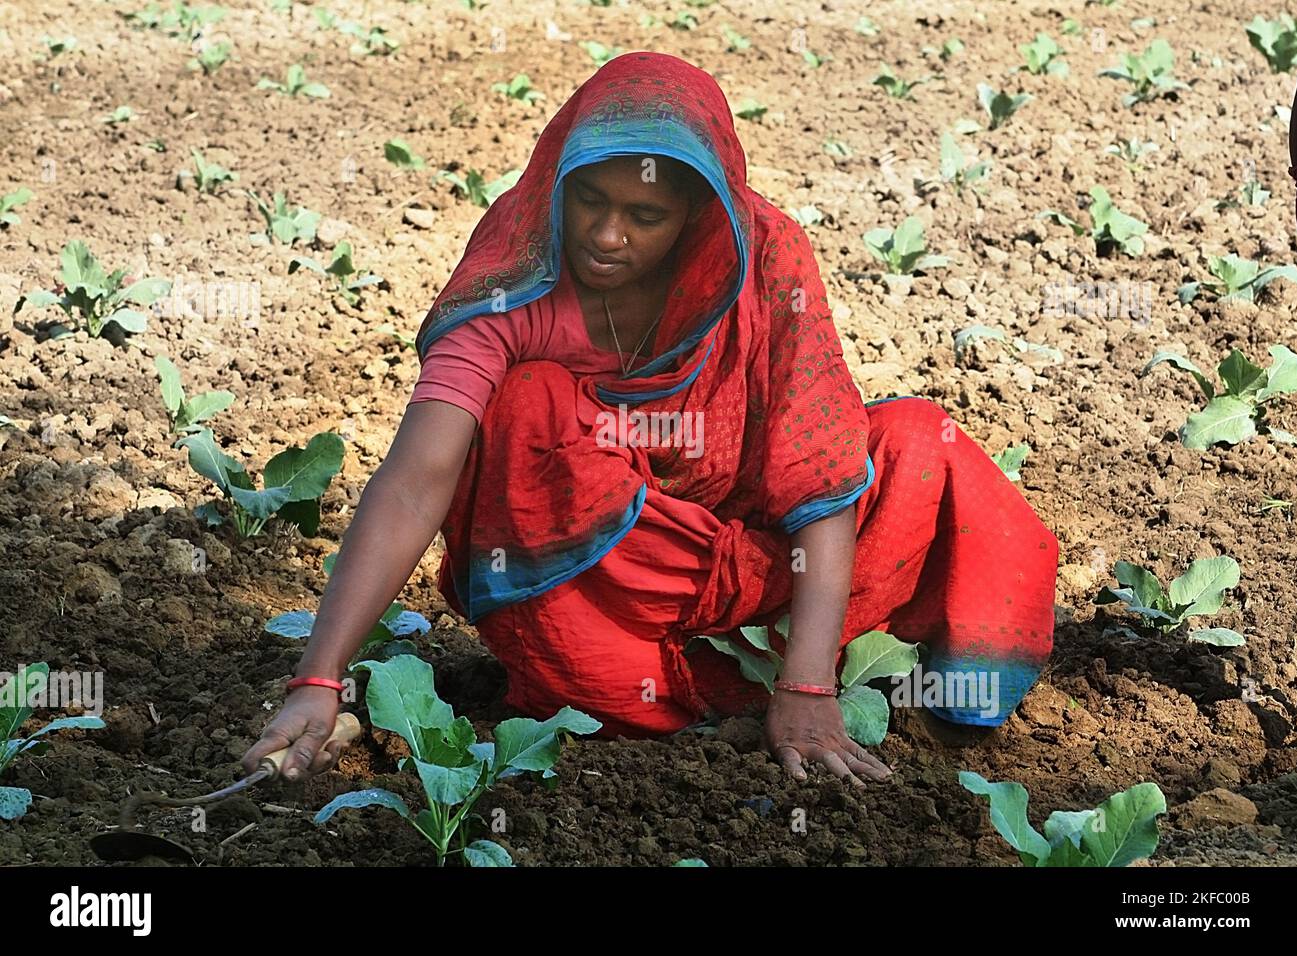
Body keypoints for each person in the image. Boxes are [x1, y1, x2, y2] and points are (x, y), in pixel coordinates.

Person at [242, 52, 1059, 790]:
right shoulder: (516, 281)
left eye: (646, 216)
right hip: (617, 590)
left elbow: (817, 476)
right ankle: (679, 684)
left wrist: (805, 683)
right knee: (527, 408)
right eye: (589, 201)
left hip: (767, 552)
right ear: (555, 181)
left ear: (700, 215)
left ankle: (854, 678)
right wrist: (320, 677)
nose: (605, 235)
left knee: (921, 442)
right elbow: (419, 480)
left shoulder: (763, 259)